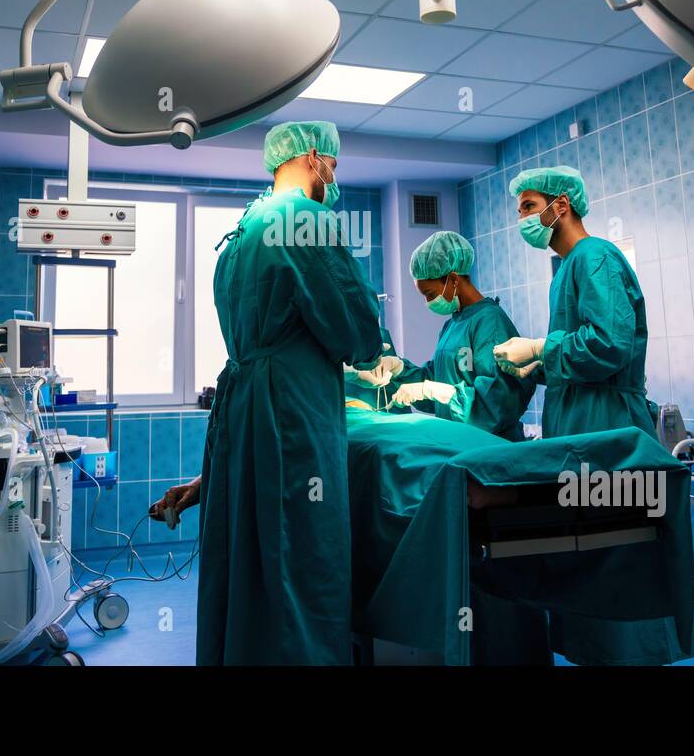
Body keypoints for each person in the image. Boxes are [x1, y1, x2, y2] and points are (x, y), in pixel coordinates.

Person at [192, 119, 383, 665]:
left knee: (247, 558)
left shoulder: (243, 230)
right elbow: (356, 330)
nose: (333, 178)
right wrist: (371, 346)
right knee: (298, 556)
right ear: (315, 157)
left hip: (247, 408)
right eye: (334, 166)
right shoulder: (305, 221)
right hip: (291, 417)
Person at [494, 166, 656, 441]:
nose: (522, 219)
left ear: (561, 205)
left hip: (608, 426)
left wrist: (540, 348)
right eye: (519, 211)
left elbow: (610, 343)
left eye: (529, 206)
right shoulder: (566, 268)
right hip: (576, 427)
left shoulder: (595, 256)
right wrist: (539, 364)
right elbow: (578, 362)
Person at [383, 231, 535, 441]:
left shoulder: (489, 323)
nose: (428, 302)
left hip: (489, 448)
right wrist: (400, 370)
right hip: (459, 443)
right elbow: (436, 379)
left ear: (453, 279)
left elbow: (497, 403)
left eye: (430, 294)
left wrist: (436, 391)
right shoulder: (452, 325)